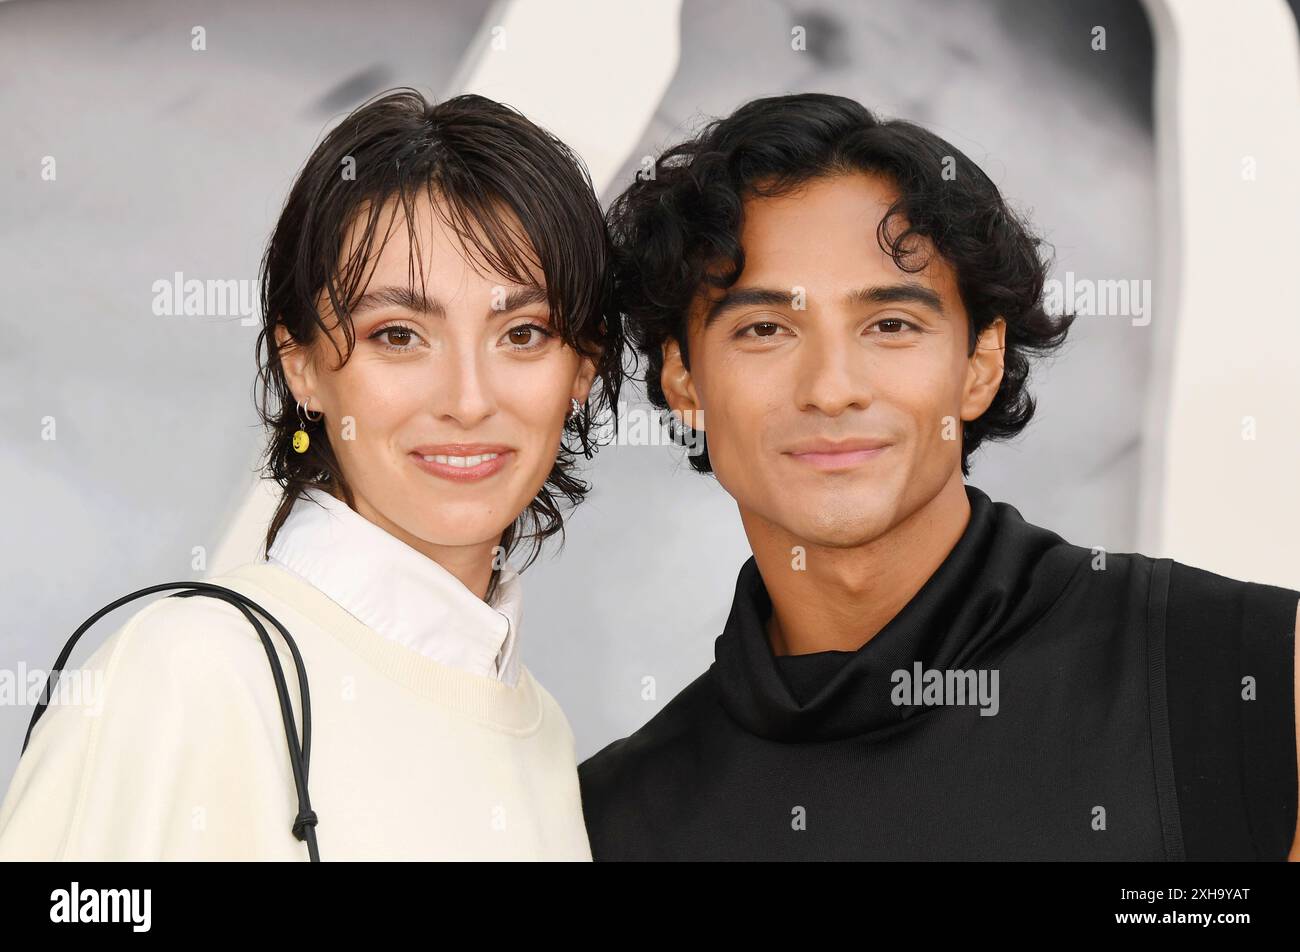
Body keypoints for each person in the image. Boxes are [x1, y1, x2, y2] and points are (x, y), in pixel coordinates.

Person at [578, 92, 1300, 861]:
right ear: (684, 378)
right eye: (765, 329)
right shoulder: (610, 823)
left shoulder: (1250, 681)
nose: (831, 387)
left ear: (980, 365)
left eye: (890, 325)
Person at [0, 88, 621, 860]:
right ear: (302, 367)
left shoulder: (541, 734)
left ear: (583, 368)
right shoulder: (194, 671)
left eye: (522, 333)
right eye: (399, 335)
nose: (469, 398)